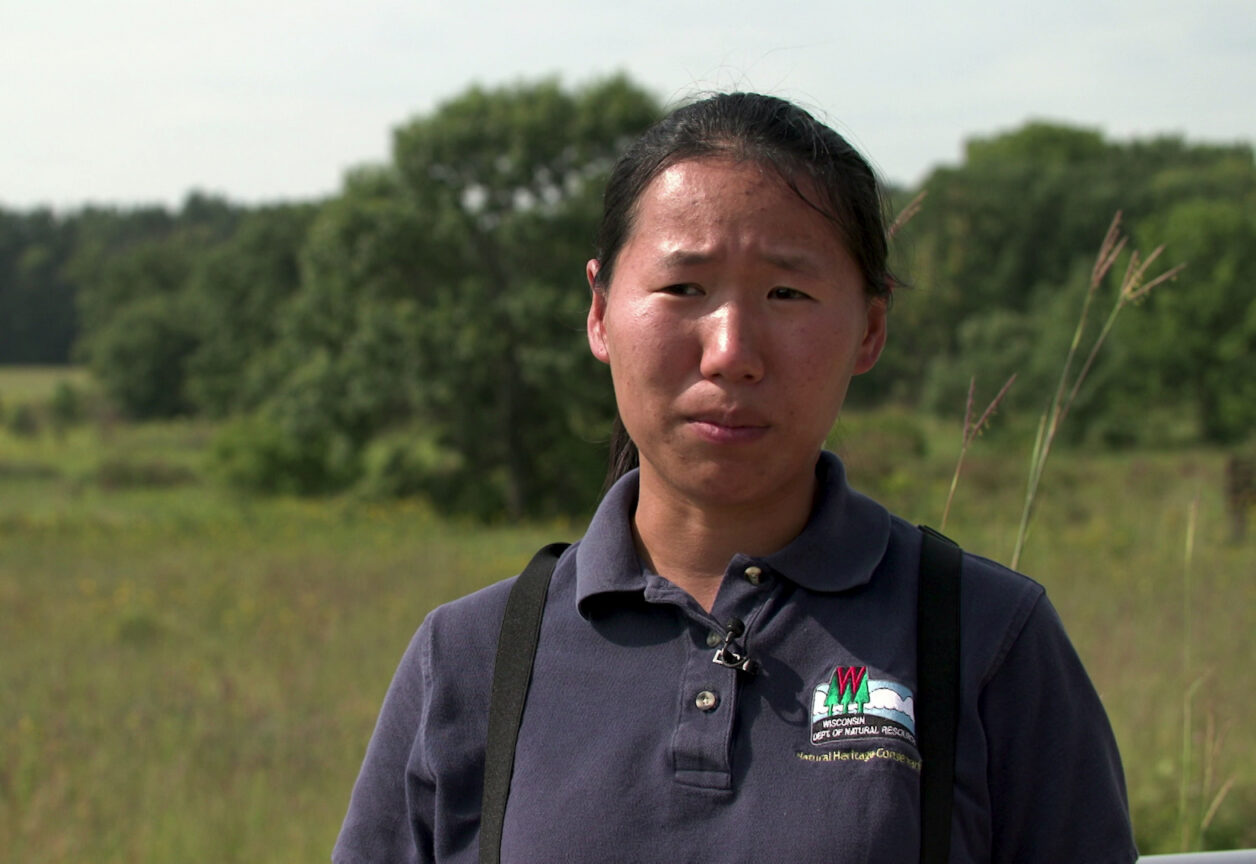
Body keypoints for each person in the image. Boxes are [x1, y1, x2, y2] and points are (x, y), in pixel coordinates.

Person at [333, 92, 1136, 863]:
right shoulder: (474, 658)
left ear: (871, 327)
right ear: (600, 311)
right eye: (684, 288)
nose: (731, 352)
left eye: (788, 293)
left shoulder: (985, 637)